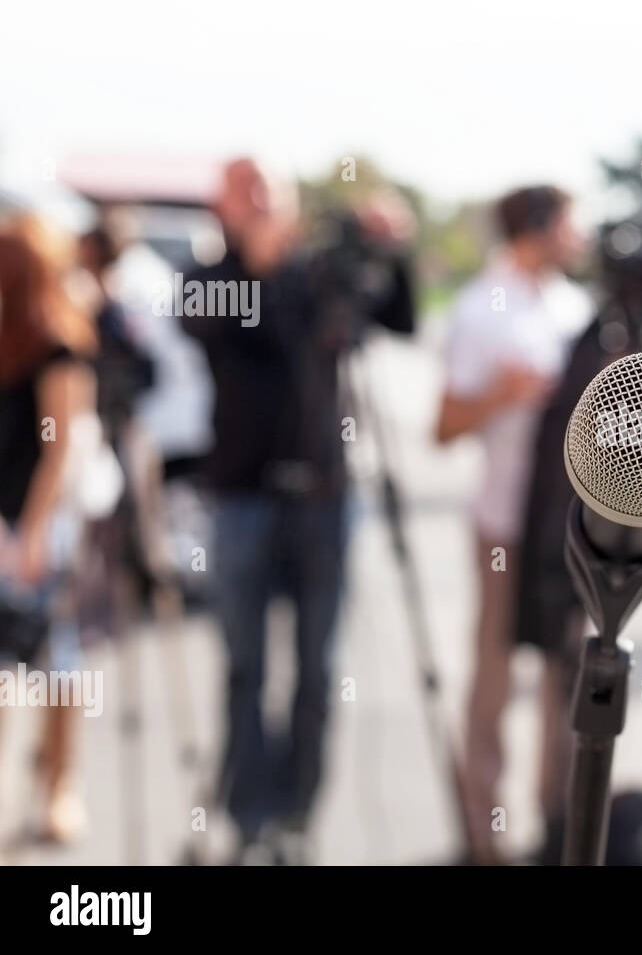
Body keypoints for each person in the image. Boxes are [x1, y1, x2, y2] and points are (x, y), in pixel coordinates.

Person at [181, 158, 416, 864]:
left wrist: (389, 250)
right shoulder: (209, 281)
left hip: (324, 497)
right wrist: (260, 265)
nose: (258, 202)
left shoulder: (320, 278)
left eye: (267, 188)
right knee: (244, 666)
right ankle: (249, 814)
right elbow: (220, 326)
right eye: (242, 190)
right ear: (220, 205)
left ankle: (296, 813)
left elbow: (397, 319)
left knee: (317, 670)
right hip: (242, 498)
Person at [435, 185, 591, 864]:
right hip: (504, 522)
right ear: (538, 226)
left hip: (571, 524)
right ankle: (481, 827)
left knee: (570, 675)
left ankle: (559, 821)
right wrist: (504, 393)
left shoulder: (577, 307)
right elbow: (443, 425)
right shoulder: (479, 308)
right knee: (494, 672)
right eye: (567, 222)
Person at [0, 217, 98, 843]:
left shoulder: (56, 345)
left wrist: (31, 533)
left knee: (55, 666)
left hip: (40, 525)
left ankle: (57, 785)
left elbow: (59, 450)